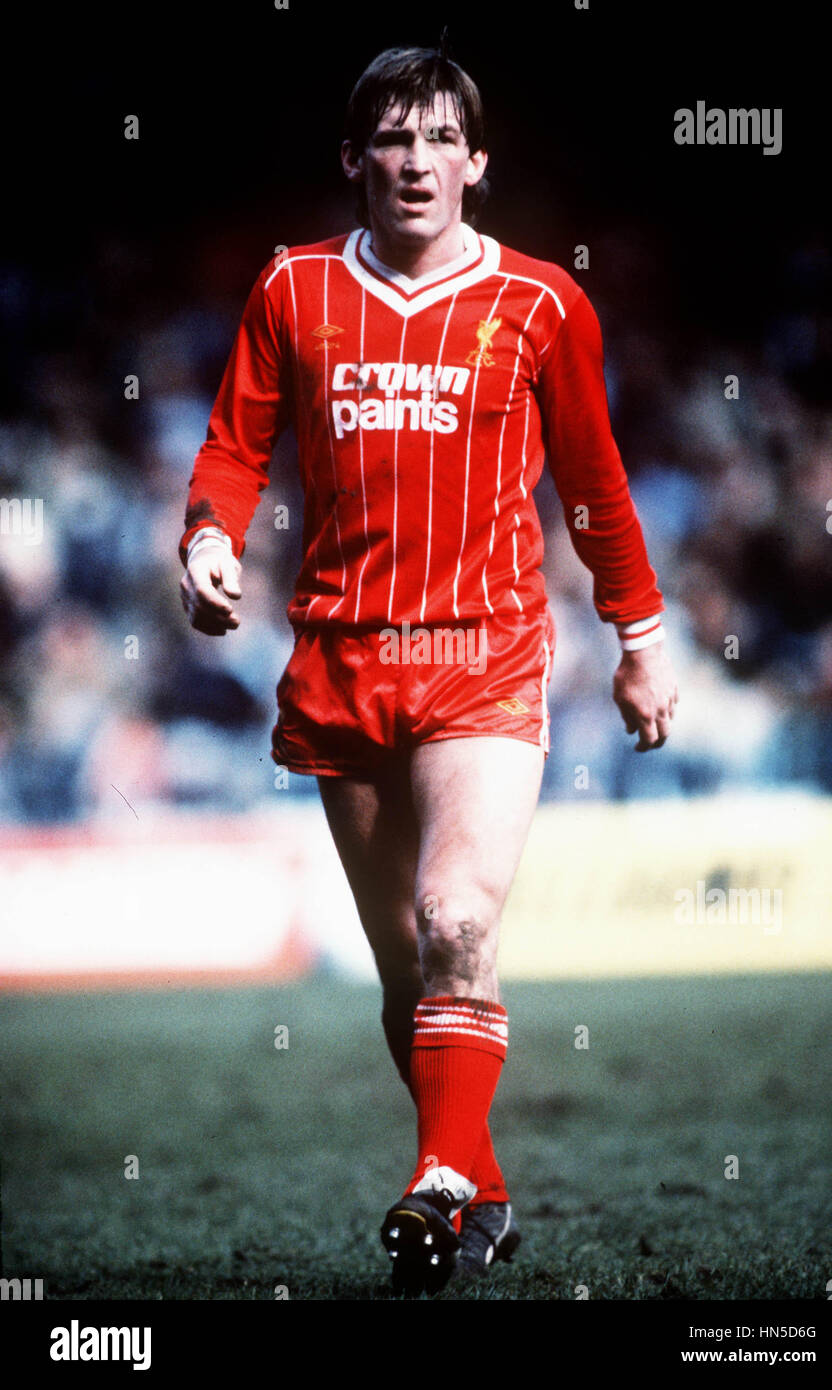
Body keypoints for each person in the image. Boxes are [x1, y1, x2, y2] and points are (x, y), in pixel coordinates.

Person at [179, 40, 678, 1295]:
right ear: (354, 160)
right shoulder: (291, 292)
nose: (414, 161)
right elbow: (234, 447)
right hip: (340, 664)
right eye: (390, 139)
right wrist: (205, 539)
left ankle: (437, 1184)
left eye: (437, 138)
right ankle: (481, 1183)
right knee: (410, 972)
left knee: (459, 919)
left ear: (476, 163)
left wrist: (641, 637)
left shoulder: (541, 305)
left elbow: (593, 485)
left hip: (482, 658)